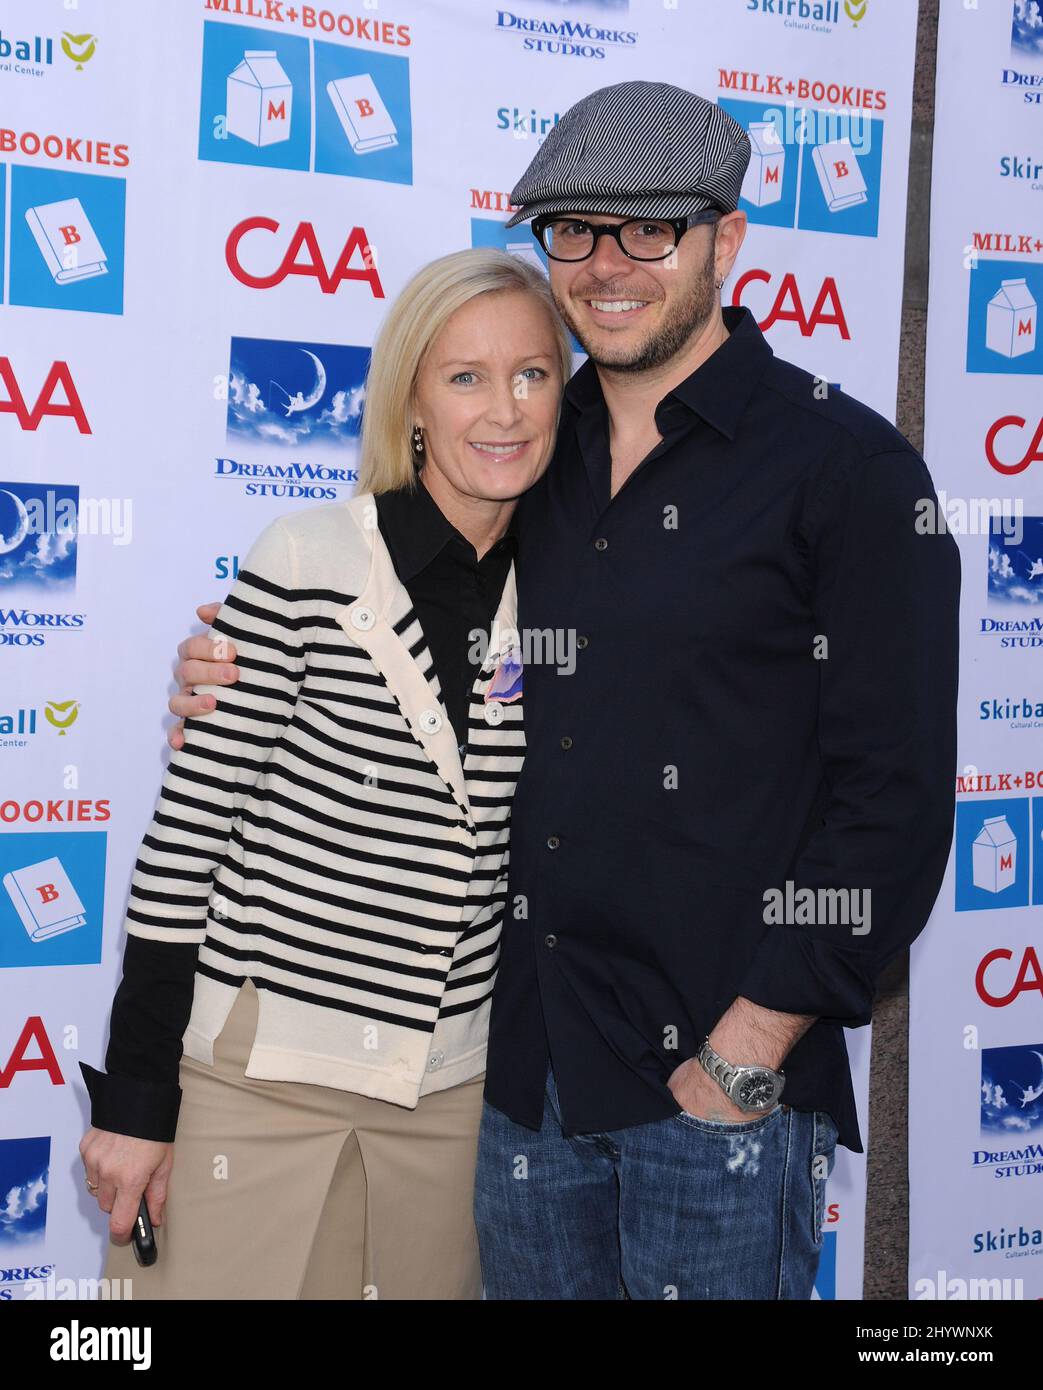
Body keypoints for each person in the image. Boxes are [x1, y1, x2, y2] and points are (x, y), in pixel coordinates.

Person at [163, 81, 961, 1301]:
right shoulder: (530, 444)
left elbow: (891, 808)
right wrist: (237, 662)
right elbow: (402, 612)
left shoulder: (846, 472)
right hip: (521, 1082)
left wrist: (746, 1050)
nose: (606, 265)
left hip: (716, 1095)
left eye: (649, 229)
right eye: (574, 230)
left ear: (724, 240)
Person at [78, 246, 572, 1299]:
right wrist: (134, 1101)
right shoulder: (308, 558)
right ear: (412, 402)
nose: (504, 409)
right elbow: (184, 845)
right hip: (254, 1089)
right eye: (465, 376)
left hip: (448, 1103)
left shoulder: (577, 596)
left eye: (532, 374)